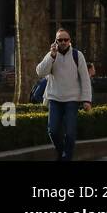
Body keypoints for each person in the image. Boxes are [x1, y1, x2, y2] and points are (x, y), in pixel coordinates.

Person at [35, 29, 93, 161]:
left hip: (72, 99)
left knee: (70, 132)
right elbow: (40, 72)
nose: (63, 42)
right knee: (53, 131)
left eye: (65, 39)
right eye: (60, 40)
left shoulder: (77, 55)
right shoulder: (51, 55)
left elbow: (85, 78)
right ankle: (62, 153)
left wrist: (87, 100)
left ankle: (66, 158)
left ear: (70, 40)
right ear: (55, 41)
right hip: (55, 99)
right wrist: (52, 56)